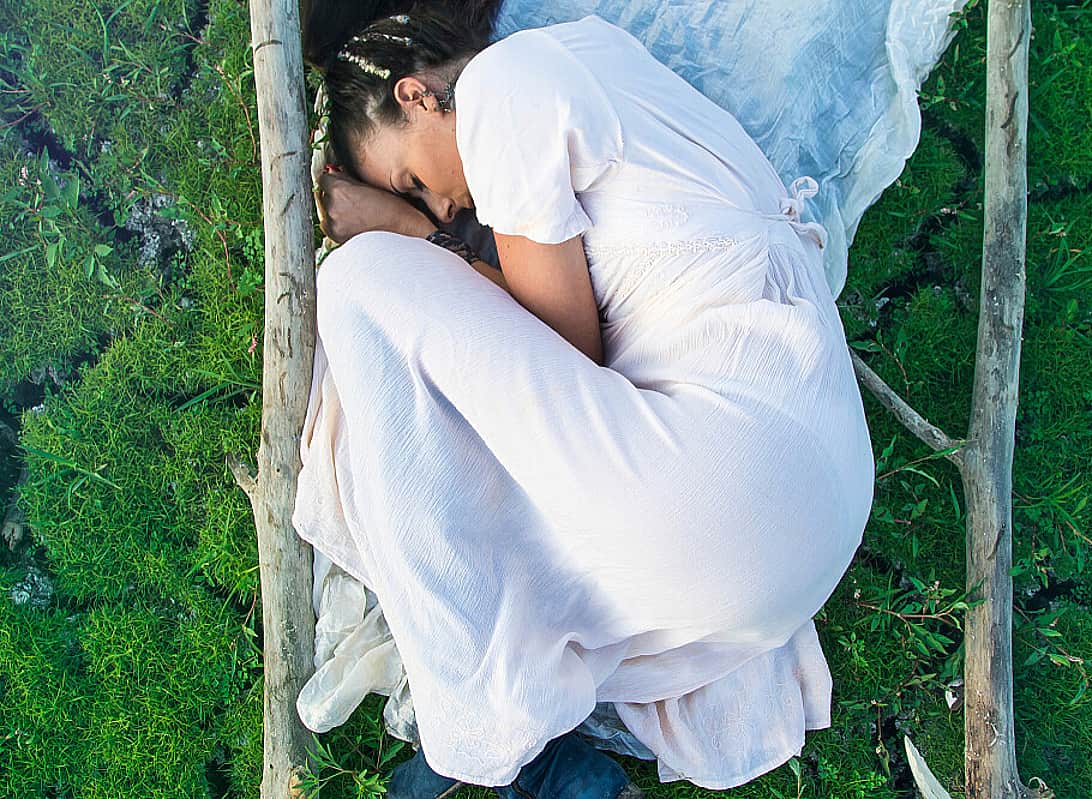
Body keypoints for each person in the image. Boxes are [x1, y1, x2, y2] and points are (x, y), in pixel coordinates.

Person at [296, 5, 875, 798]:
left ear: (417, 96)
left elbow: (562, 354)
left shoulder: (504, 89)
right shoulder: (594, 49)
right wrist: (432, 228)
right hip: (814, 507)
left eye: (414, 180)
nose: (444, 209)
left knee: (359, 284)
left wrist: (396, 231)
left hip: (726, 505)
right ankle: (528, 733)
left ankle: (487, 724)